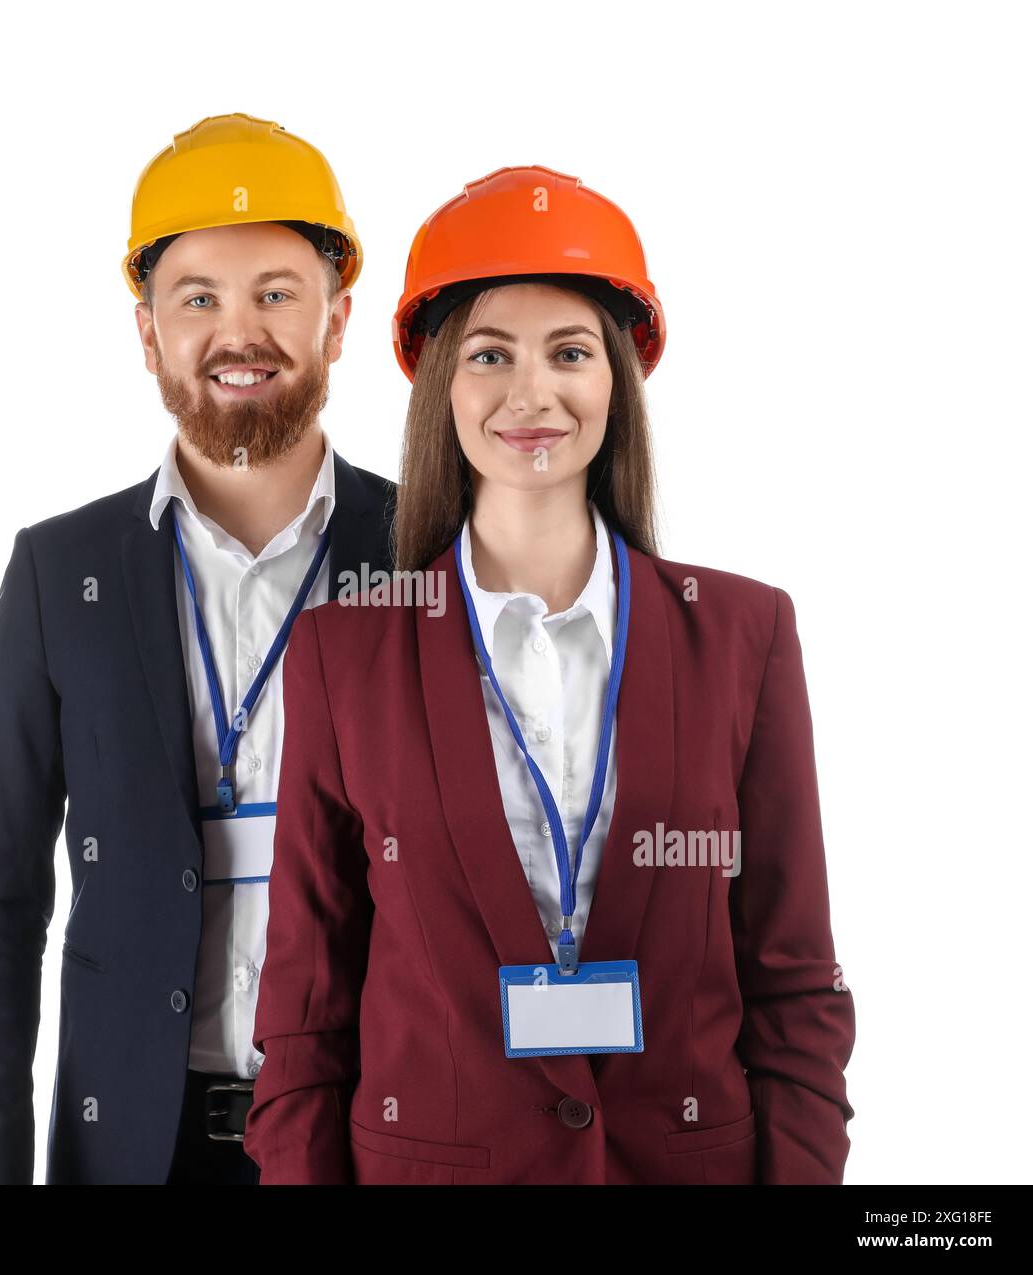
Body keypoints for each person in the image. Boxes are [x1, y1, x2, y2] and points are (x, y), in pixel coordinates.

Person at [243, 165, 855, 1184]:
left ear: (617, 375)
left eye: (569, 352)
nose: (532, 393)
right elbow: (306, 1014)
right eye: (490, 354)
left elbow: (792, 982)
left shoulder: (745, 634)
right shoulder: (343, 655)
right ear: (442, 382)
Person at [0, 113, 396, 1184]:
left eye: (276, 292)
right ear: (148, 334)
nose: (240, 332)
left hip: (375, 1141)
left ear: (336, 323)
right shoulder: (60, 574)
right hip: (134, 1153)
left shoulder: (431, 552)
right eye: (199, 298)